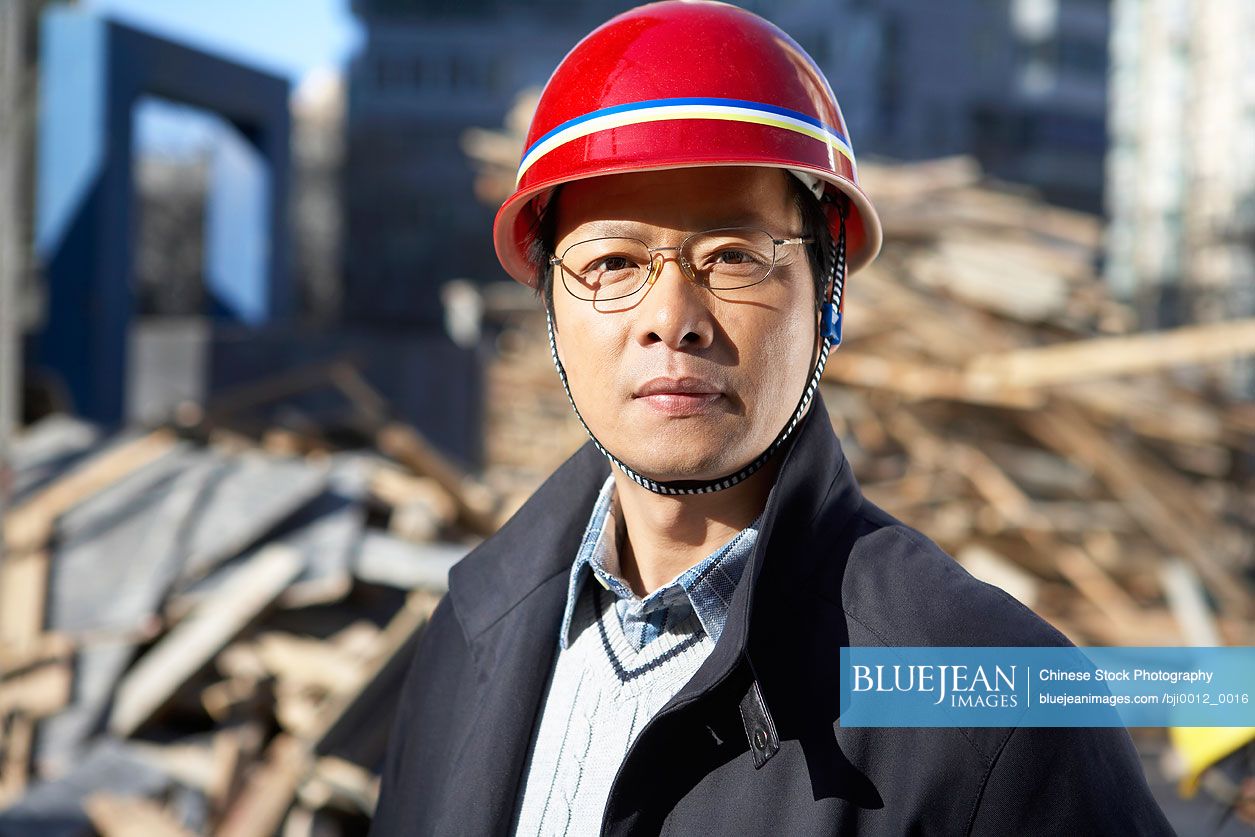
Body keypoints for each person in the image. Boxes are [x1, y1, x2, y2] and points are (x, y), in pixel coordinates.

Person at [371, 2, 1174, 834]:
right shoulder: (468, 634)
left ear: (829, 292)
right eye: (611, 262)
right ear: (550, 307)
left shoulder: (988, 711)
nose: (670, 316)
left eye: (734, 256)